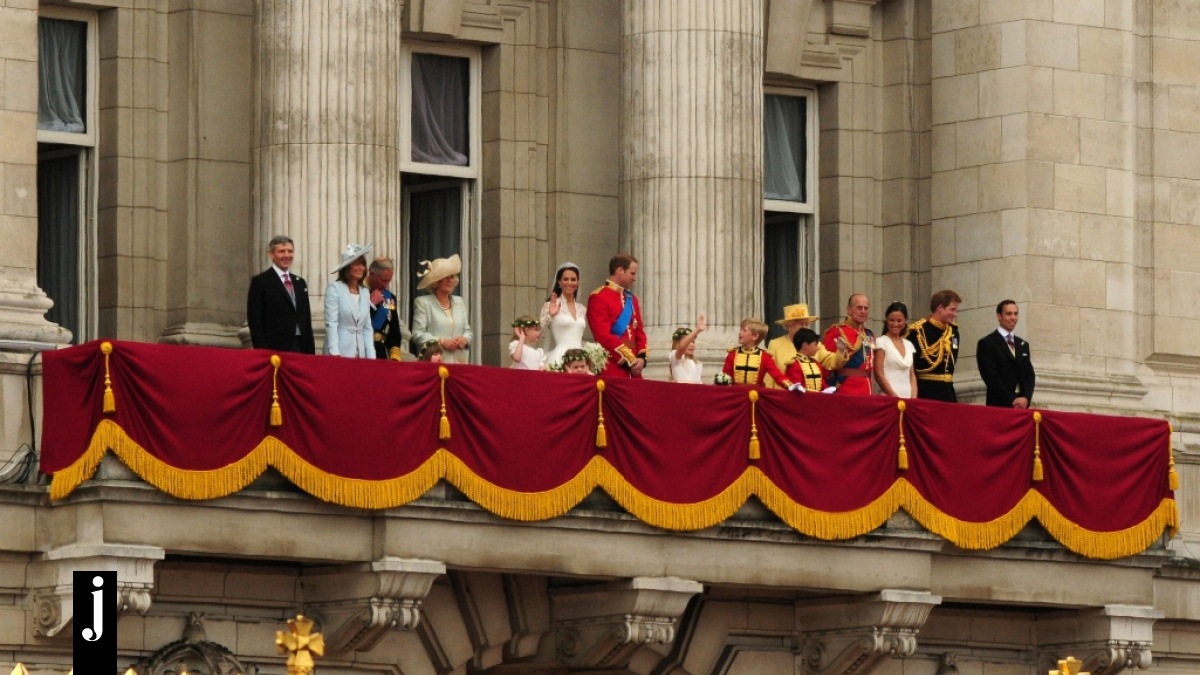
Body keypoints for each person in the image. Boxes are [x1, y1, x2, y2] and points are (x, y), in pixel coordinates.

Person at [246, 235, 316, 354]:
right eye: (281, 251)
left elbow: (306, 320)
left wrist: (310, 351)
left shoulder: (300, 283)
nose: (287, 255)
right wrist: (262, 350)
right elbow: (255, 319)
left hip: (300, 346)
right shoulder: (261, 281)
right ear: (272, 254)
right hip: (274, 346)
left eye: (290, 251)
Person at [586, 254, 648, 378]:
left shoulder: (632, 299)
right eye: (632, 273)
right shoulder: (598, 297)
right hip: (614, 366)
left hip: (635, 369)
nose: (635, 278)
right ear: (620, 270)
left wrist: (641, 359)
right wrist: (629, 359)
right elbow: (603, 336)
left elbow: (639, 331)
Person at [765, 303, 845, 388]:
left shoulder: (814, 345)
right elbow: (769, 376)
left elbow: (832, 362)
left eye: (806, 324)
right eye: (801, 324)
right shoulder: (775, 344)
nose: (805, 328)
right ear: (789, 325)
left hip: (809, 397)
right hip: (783, 398)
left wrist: (841, 351)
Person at [412, 254, 473, 364]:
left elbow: (467, 331)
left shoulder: (459, 301)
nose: (450, 280)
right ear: (436, 281)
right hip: (435, 363)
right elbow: (417, 334)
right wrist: (440, 341)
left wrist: (464, 340)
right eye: (445, 277)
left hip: (460, 363)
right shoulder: (423, 302)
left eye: (451, 277)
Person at [977, 299, 1036, 408]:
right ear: (999, 316)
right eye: (1009, 314)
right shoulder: (987, 343)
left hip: (1021, 408)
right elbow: (991, 377)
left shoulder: (1023, 345)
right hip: (999, 406)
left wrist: (1025, 398)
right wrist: (1012, 401)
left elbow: (1029, 375)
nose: (1013, 318)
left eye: (1016, 314)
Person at [907, 289, 962, 402]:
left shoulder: (953, 332)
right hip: (926, 392)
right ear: (940, 308)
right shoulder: (918, 331)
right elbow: (911, 367)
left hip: (948, 393)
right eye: (952, 309)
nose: (955, 314)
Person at [324, 244, 376, 359]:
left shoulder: (365, 292)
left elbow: (367, 328)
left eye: (362, 264)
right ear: (347, 267)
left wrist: (371, 357)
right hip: (340, 352)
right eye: (356, 264)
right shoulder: (334, 288)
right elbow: (331, 323)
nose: (361, 268)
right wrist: (334, 352)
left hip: (360, 355)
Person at [822, 294, 876, 395]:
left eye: (866, 308)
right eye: (859, 308)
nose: (863, 311)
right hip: (845, 389)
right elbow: (825, 365)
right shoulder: (837, 331)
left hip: (866, 389)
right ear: (849, 310)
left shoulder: (869, 334)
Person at [540, 262, 588, 367]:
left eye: (573, 279)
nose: (569, 283)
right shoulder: (550, 305)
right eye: (566, 279)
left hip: (580, 360)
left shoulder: (582, 309)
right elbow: (537, 332)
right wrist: (550, 315)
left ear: (578, 282)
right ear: (559, 282)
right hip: (559, 358)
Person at [723, 319, 794, 388]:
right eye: (741, 330)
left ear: (755, 336)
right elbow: (725, 377)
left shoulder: (764, 357)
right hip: (736, 395)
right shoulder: (732, 354)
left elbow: (777, 376)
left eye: (744, 330)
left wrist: (791, 386)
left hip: (756, 396)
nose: (740, 333)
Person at [367, 257, 412, 361]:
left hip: (380, 352)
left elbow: (393, 328)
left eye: (389, 280)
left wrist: (394, 354)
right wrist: (370, 304)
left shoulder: (389, 297)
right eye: (383, 280)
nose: (386, 285)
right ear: (372, 274)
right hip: (361, 350)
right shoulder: (359, 292)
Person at [874, 301, 917, 398]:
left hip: (908, 399)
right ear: (886, 320)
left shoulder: (909, 344)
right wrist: (895, 398)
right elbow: (878, 374)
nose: (895, 324)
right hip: (889, 398)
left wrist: (913, 399)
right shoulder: (881, 342)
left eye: (899, 320)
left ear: (905, 321)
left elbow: (912, 375)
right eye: (891, 320)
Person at [785, 328, 829, 393]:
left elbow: (822, 383)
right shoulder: (794, 365)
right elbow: (795, 389)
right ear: (805, 345)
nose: (817, 348)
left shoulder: (816, 363)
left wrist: (827, 390)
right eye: (815, 344)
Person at [669, 315, 706, 384]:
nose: (692, 345)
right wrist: (697, 330)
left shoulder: (698, 364)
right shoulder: (676, 358)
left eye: (693, 342)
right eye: (688, 342)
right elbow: (682, 347)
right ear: (677, 344)